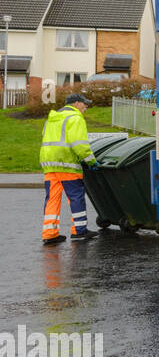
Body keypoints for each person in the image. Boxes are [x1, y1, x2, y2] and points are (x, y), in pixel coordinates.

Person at [39, 92, 99, 245]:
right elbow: (79, 144)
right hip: (67, 165)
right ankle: (79, 231)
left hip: (50, 165)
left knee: (52, 199)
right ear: (76, 103)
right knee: (76, 197)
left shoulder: (51, 119)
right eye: (84, 104)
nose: (86, 107)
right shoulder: (75, 118)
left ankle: (50, 233)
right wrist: (91, 161)